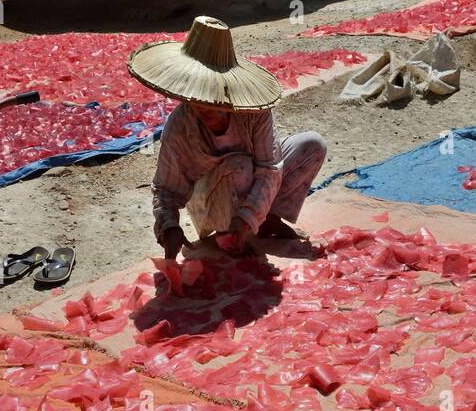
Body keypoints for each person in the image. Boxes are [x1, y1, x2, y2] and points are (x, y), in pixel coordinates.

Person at [129, 16, 327, 258]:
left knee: (312, 145)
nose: (205, 105)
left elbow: (270, 168)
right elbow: (165, 188)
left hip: (250, 180)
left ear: (228, 87)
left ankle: (265, 219)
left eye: (213, 92)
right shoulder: (181, 123)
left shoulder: (255, 113)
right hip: (209, 199)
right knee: (239, 165)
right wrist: (169, 226)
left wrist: (249, 216)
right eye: (198, 94)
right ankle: (228, 230)